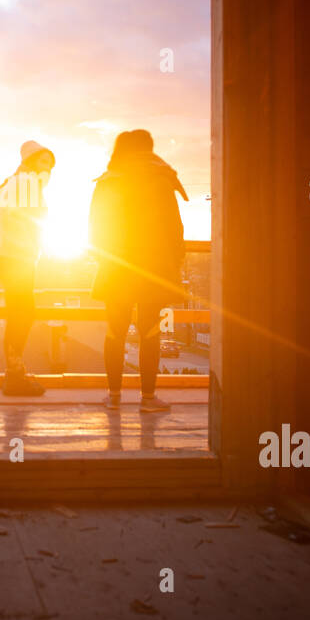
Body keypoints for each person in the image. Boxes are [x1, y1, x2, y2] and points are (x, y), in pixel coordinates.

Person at [88, 129, 188, 412]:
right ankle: (147, 399)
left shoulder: (108, 182)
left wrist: (102, 258)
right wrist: (175, 260)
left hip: (116, 266)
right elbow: (174, 226)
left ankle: (114, 396)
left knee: (115, 331)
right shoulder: (160, 178)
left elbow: (95, 226)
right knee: (150, 331)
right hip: (153, 267)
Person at [0, 140, 56, 396]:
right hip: (14, 256)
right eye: (43, 162)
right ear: (30, 161)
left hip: (13, 256)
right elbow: (24, 217)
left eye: (50, 166)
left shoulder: (20, 183)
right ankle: (14, 376)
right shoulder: (24, 183)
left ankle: (14, 374)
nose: (48, 169)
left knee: (21, 312)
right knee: (23, 312)